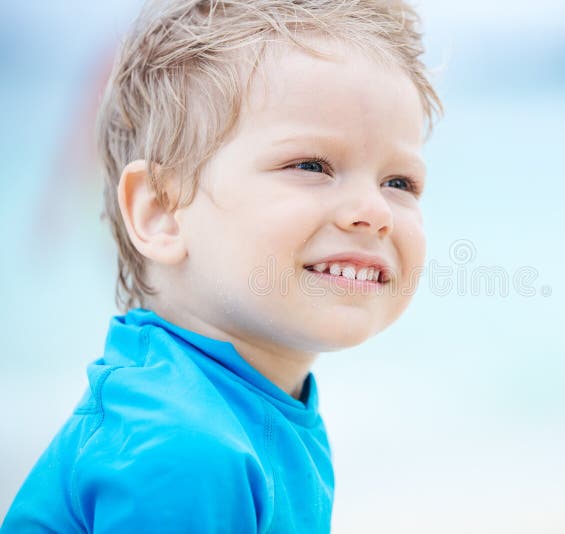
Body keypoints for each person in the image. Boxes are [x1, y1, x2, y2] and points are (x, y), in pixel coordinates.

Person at [2, 0, 442, 531]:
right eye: (310, 165)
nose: (373, 212)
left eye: (400, 183)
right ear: (161, 210)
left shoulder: (244, 403)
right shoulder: (181, 448)